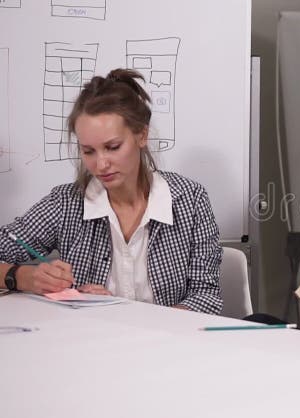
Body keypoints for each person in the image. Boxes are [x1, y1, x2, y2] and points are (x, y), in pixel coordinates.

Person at [0, 69, 223, 314]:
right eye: (88, 151)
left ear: (142, 135)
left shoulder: (189, 200)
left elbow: (206, 296)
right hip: (91, 344)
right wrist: (21, 276)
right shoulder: (65, 203)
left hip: (169, 345)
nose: (101, 164)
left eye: (112, 147)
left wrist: (142, 322)